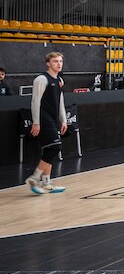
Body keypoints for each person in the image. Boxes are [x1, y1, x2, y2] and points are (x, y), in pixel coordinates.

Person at [25, 52, 67, 195]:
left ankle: (46, 183)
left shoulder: (60, 80)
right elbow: (35, 101)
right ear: (48, 63)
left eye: (60, 61)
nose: (59, 64)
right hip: (43, 118)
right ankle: (34, 178)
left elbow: (60, 100)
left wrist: (64, 119)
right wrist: (36, 122)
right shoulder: (41, 79)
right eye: (55, 61)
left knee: (49, 149)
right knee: (55, 147)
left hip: (53, 119)